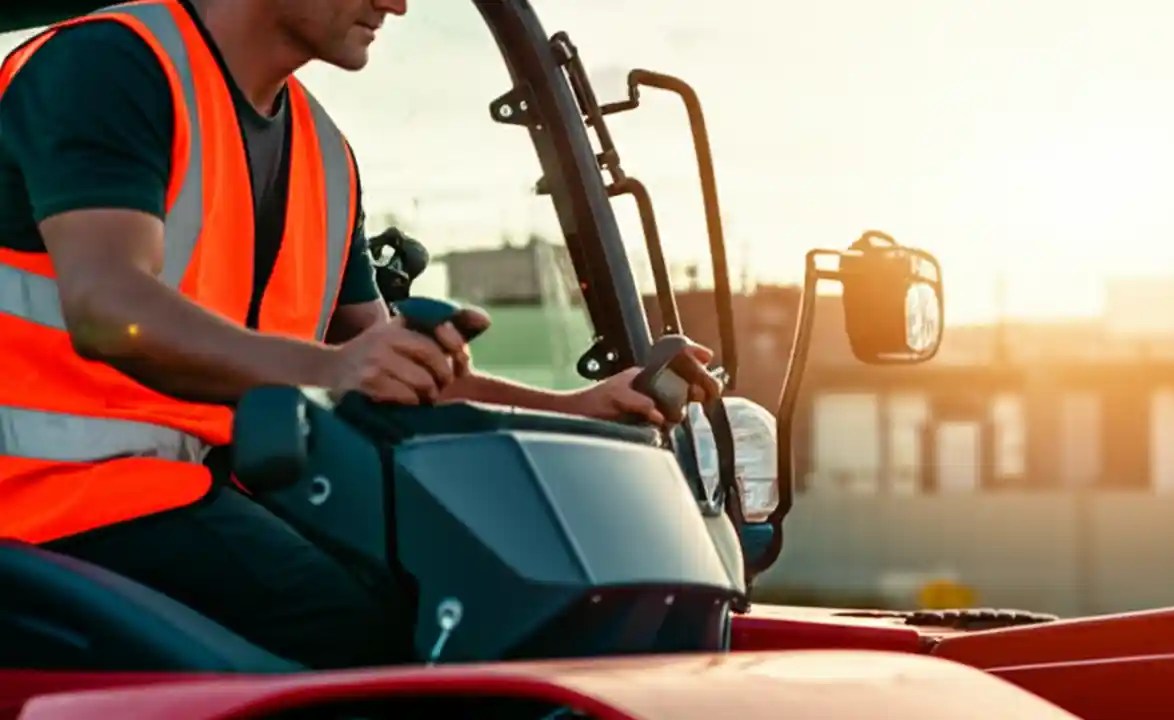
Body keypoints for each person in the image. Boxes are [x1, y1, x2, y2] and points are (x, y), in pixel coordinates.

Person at [0, 0, 715, 669]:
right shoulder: (107, 65)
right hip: (47, 510)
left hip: (211, 495)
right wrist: (335, 369)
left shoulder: (326, 155)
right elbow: (107, 310)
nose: (398, 3)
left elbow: (378, 366)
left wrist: (576, 407)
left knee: (474, 598)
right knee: (374, 639)